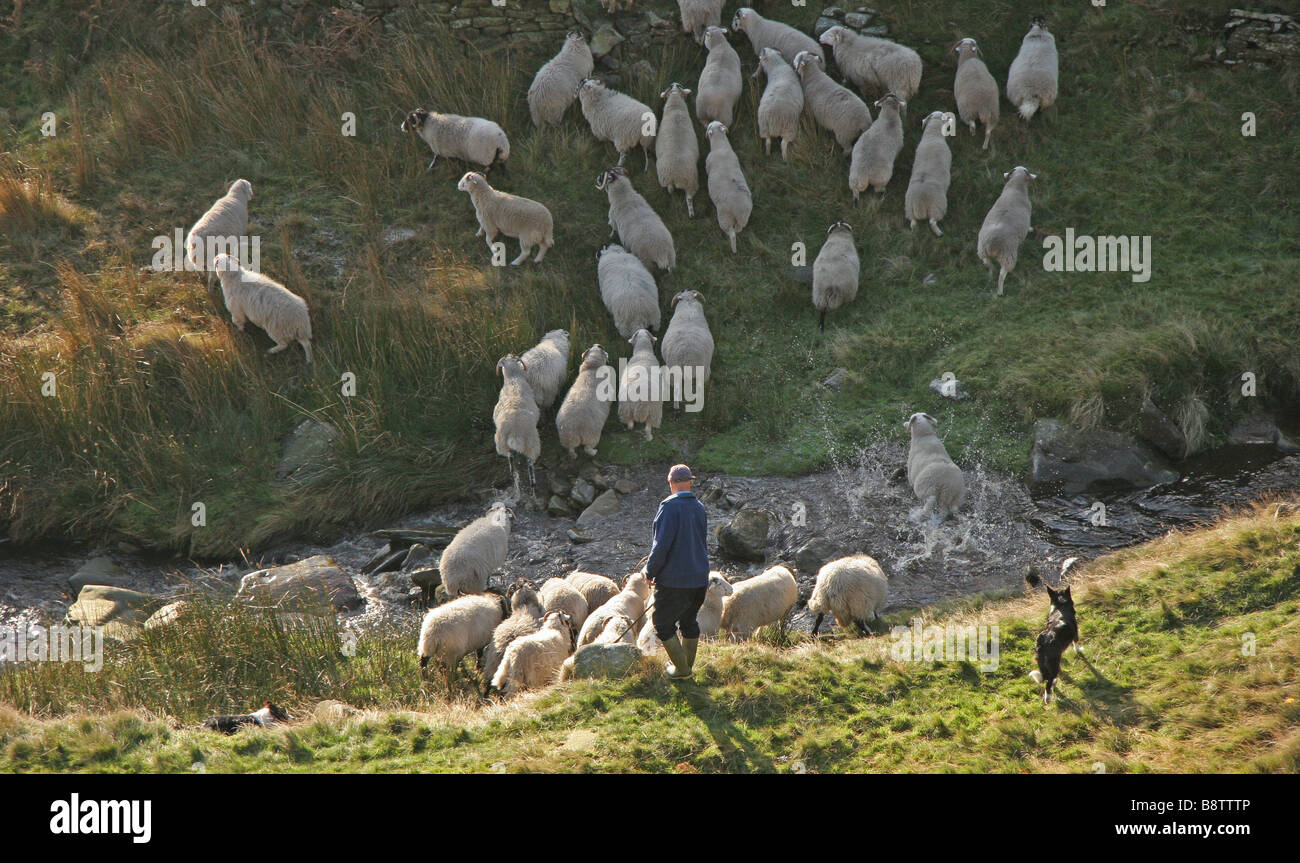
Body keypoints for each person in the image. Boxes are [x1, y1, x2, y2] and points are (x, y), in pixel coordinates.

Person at [644, 463, 709, 679]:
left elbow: (661, 546)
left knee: (662, 623)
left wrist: (650, 571)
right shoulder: (699, 507)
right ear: (690, 482)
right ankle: (687, 669)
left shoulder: (669, 507)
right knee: (689, 621)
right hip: (699, 577)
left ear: (671, 482)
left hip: (674, 580)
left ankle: (682, 670)